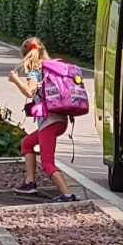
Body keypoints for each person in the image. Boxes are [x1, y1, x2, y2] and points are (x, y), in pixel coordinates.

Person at [8, 37, 78, 204]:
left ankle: (67, 195)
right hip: (60, 119)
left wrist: (15, 79)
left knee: (47, 162)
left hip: (49, 121)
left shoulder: (36, 71)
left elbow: (29, 91)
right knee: (27, 143)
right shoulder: (54, 68)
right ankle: (30, 182)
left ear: (25, 55)